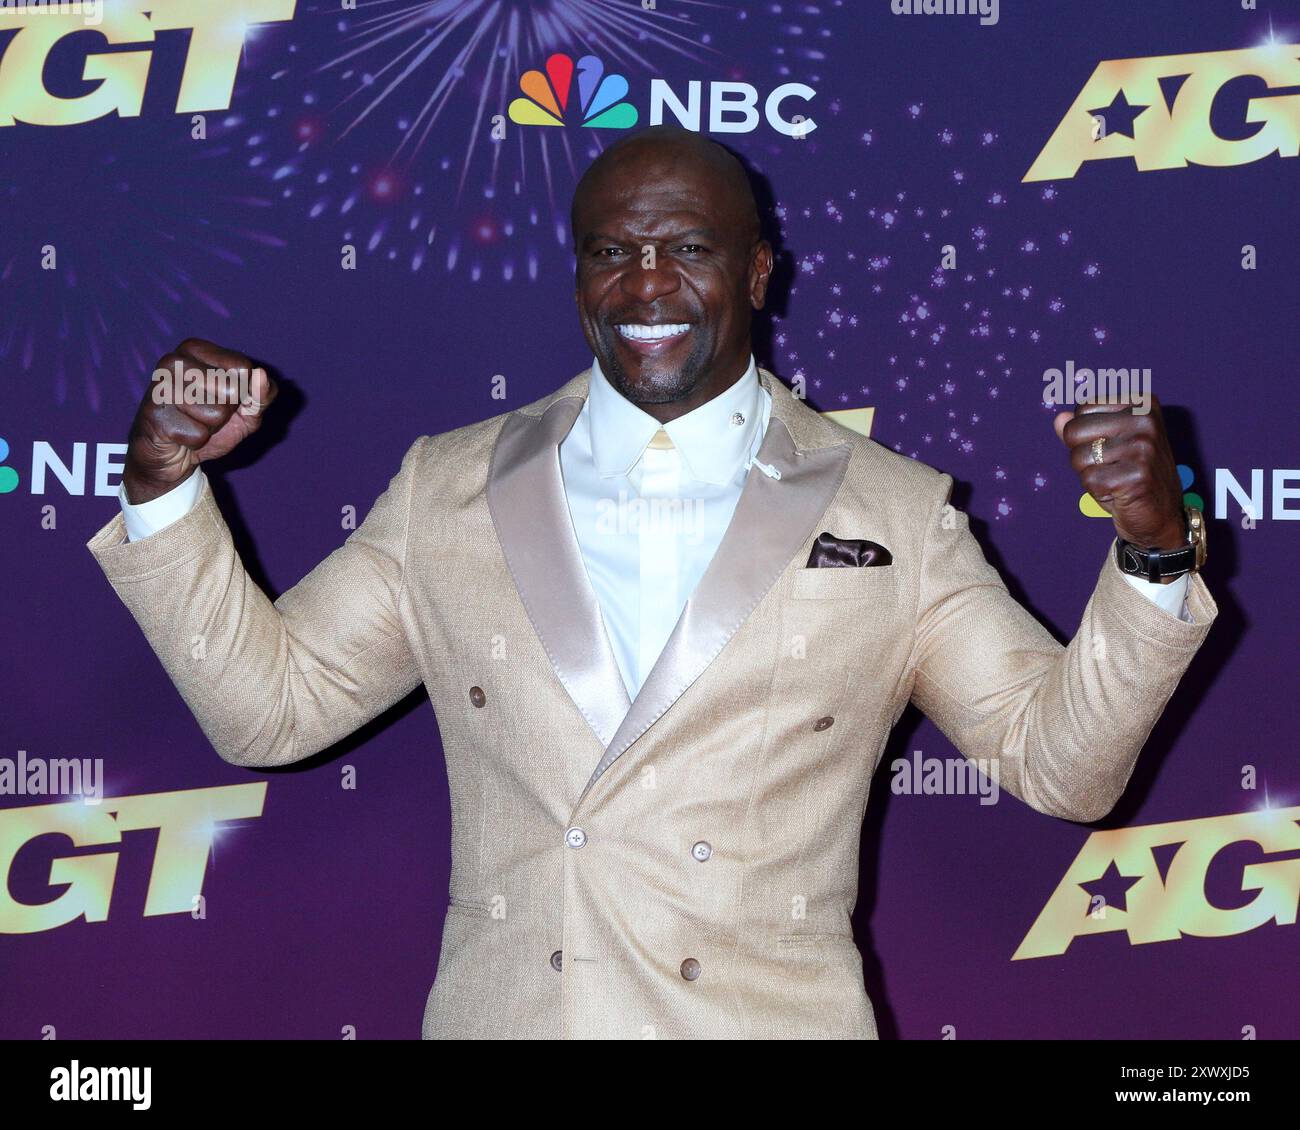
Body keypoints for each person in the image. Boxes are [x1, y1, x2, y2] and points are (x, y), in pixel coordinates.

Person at [87, 125, 1216, 1039]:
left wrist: (1153, 553)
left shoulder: (891, 509)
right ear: (576, 270)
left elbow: (1060, 767)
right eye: (610, 250)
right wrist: (162, 485)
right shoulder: (448, 486)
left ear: (759, 271)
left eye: (687, 247)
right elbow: (269, 711)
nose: (646, 281)